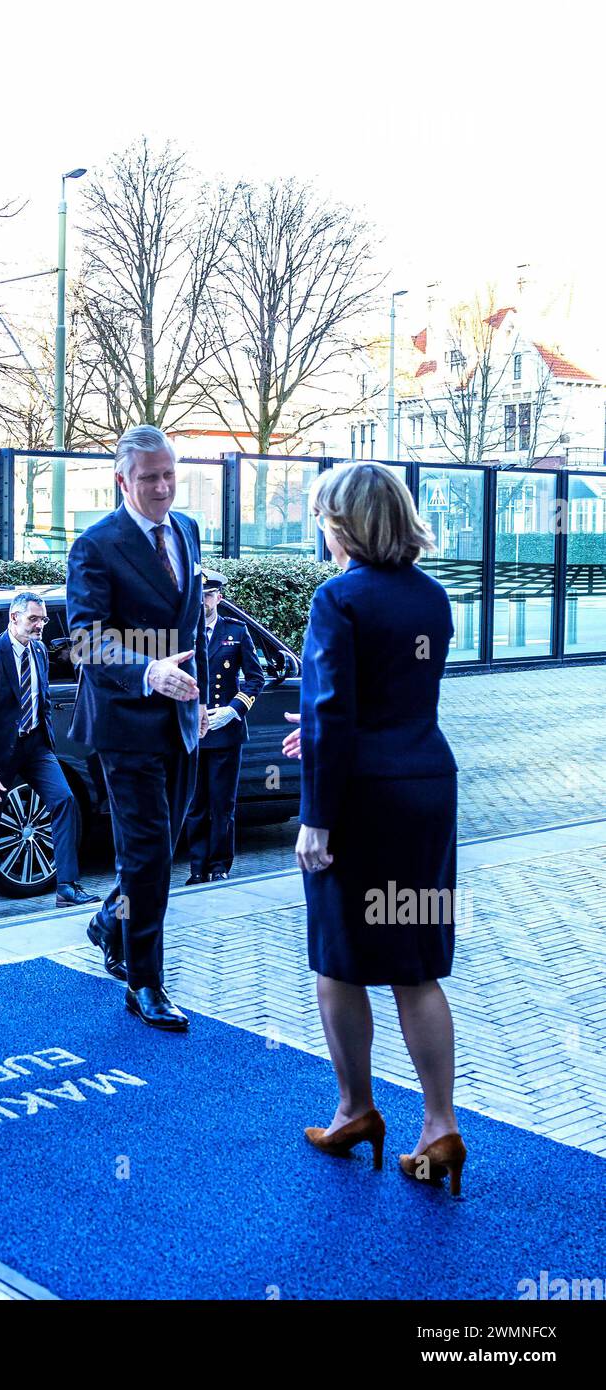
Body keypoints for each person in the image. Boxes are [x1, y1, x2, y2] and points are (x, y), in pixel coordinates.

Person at [284, 462, 466, 1195]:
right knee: (414, 964)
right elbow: (386, 701)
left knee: (338, 959)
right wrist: (327, 736)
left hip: (361, 802)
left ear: (347, 522)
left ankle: (356, 1109)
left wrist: (315, 818)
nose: (322, 529)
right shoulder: (433, 597)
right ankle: (440, 1126)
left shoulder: (338, 598)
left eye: (326, 515)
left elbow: (335, 712)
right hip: (425, 786)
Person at [66, 425, 208, 1031]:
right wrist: (147, 671)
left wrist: (197, 695)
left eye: (170, 473)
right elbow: (84, 638)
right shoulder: (95, 546)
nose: (163, 486)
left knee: (157, 854)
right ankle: (144, 985)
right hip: (124, 725)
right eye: (149, 477)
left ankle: (106, 921)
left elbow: (191, 626)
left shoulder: (188, 531)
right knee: (148, 856)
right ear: (121, 479)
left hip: (181, 719)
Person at [0, 592, 100, 920]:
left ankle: (67, 887)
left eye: (43, 619)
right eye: (33, 620)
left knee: (65, 801)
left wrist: (46, 743)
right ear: (14, 618)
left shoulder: (39, 650)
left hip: (35, 747)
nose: (40, 626)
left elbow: (42, 698)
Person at [185, 572, 264, 884]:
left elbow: (256, 678)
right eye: (199, 595)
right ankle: (196, 868)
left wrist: (234, 710)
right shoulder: (183, 634)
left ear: (219, 598)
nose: (204, 601)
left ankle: (219, 867)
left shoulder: (236, 630)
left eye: (209, 595)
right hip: (194, 730)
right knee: (195, 805)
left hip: (225, 730)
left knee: (222, 805)